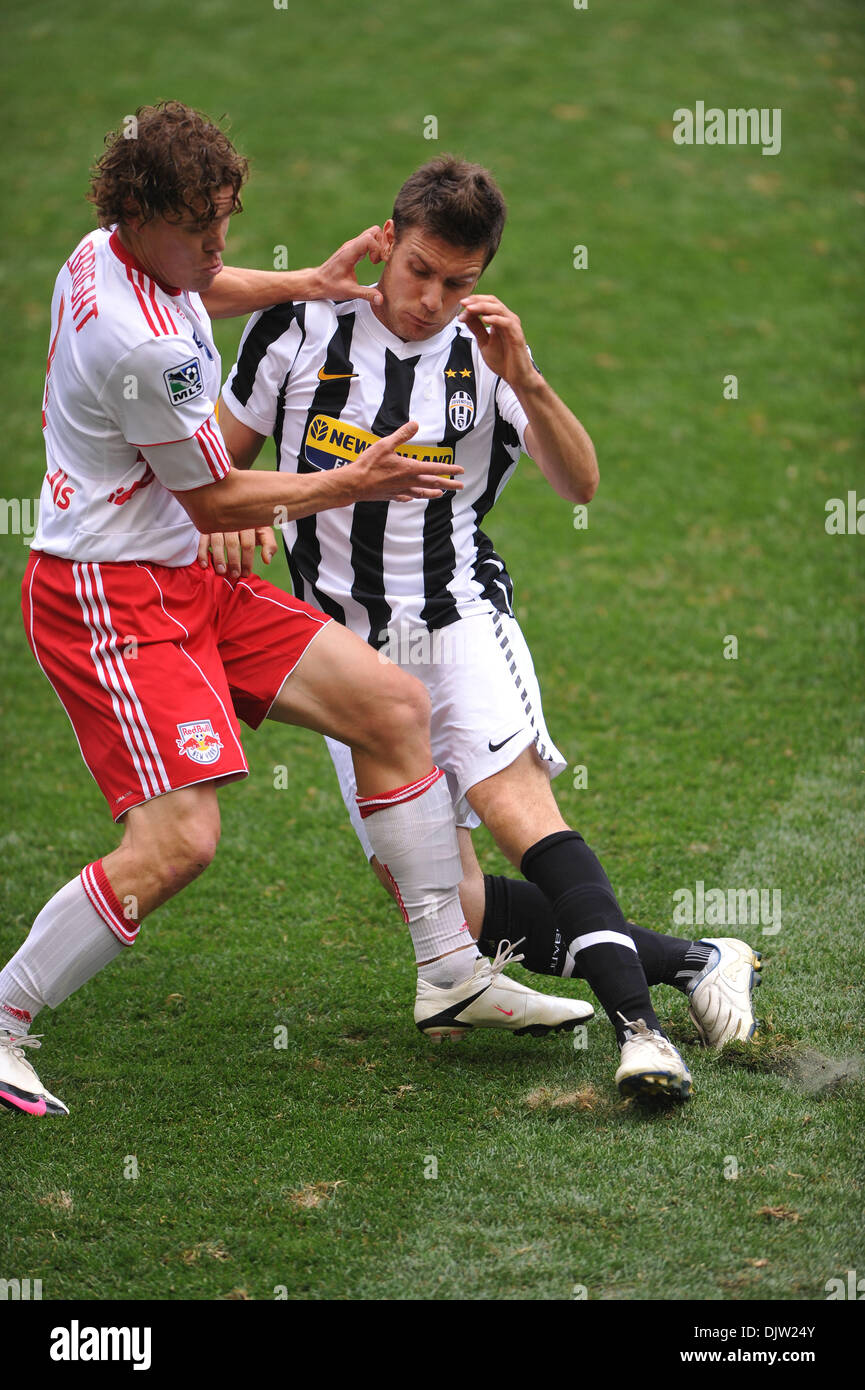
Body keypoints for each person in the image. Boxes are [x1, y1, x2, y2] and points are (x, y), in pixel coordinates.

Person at [0, 111, 591, 1121]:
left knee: (391, 704)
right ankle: (5, 1016)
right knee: (180, 842)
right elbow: (219, 500)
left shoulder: (109, 255)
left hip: (180, 573)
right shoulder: (142, 348)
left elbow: (206, 287)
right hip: (111, 594)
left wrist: (308, 286)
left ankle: (450, 968)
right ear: (145, 217)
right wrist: (348, 481)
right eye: (207, 232)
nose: (222, 253)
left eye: (228, 226)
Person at [214, 155, 763, 1101]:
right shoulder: (298, 327)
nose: (431, 299)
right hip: (339, 649)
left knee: (522, 818)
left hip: (456, 618)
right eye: (419, 270)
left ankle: (643, 1036)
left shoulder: (483, 353)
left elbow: (579, 482)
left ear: (482, 275)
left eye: (457, 282)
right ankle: (699, 958)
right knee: (453, 915)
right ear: (385, 243)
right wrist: (236, 517)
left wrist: (532, 380)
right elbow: (220, 470)